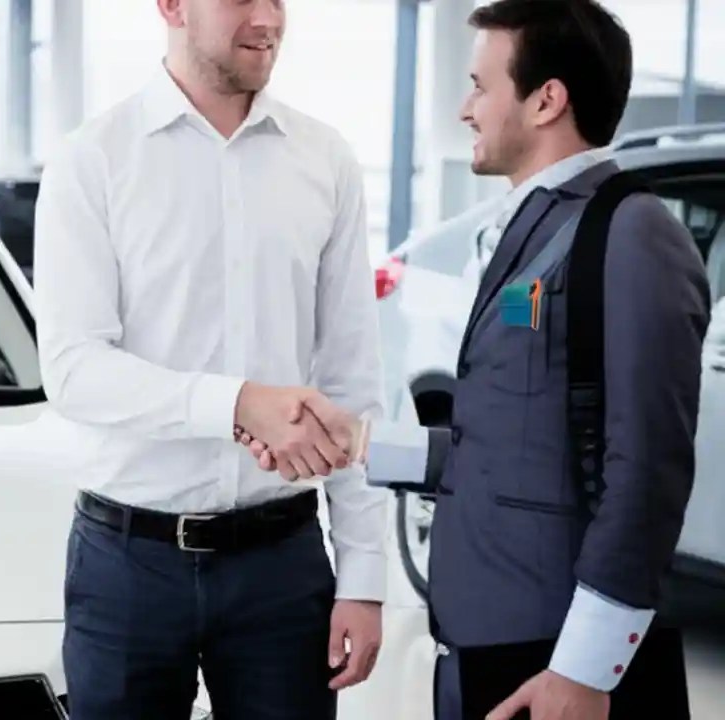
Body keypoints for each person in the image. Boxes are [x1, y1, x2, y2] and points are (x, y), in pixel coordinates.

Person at [241, 1, 707, 718]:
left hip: (553, 655)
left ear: (547, 99)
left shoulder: (632, 233)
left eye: (481, 85)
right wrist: (357, 442)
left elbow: (647, 471)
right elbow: (507, 446)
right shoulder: (535, 226)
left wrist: (585, 671)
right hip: (485, 643)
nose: (465, 108)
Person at [32, 0, 391, 717]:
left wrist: (365, 575)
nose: (267, 18)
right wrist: (237, 404)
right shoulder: (94, 158)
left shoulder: (325, 159)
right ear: (170, 5)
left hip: (282, 565)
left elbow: (352, 379)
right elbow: (74, 369)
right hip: (128, 564)